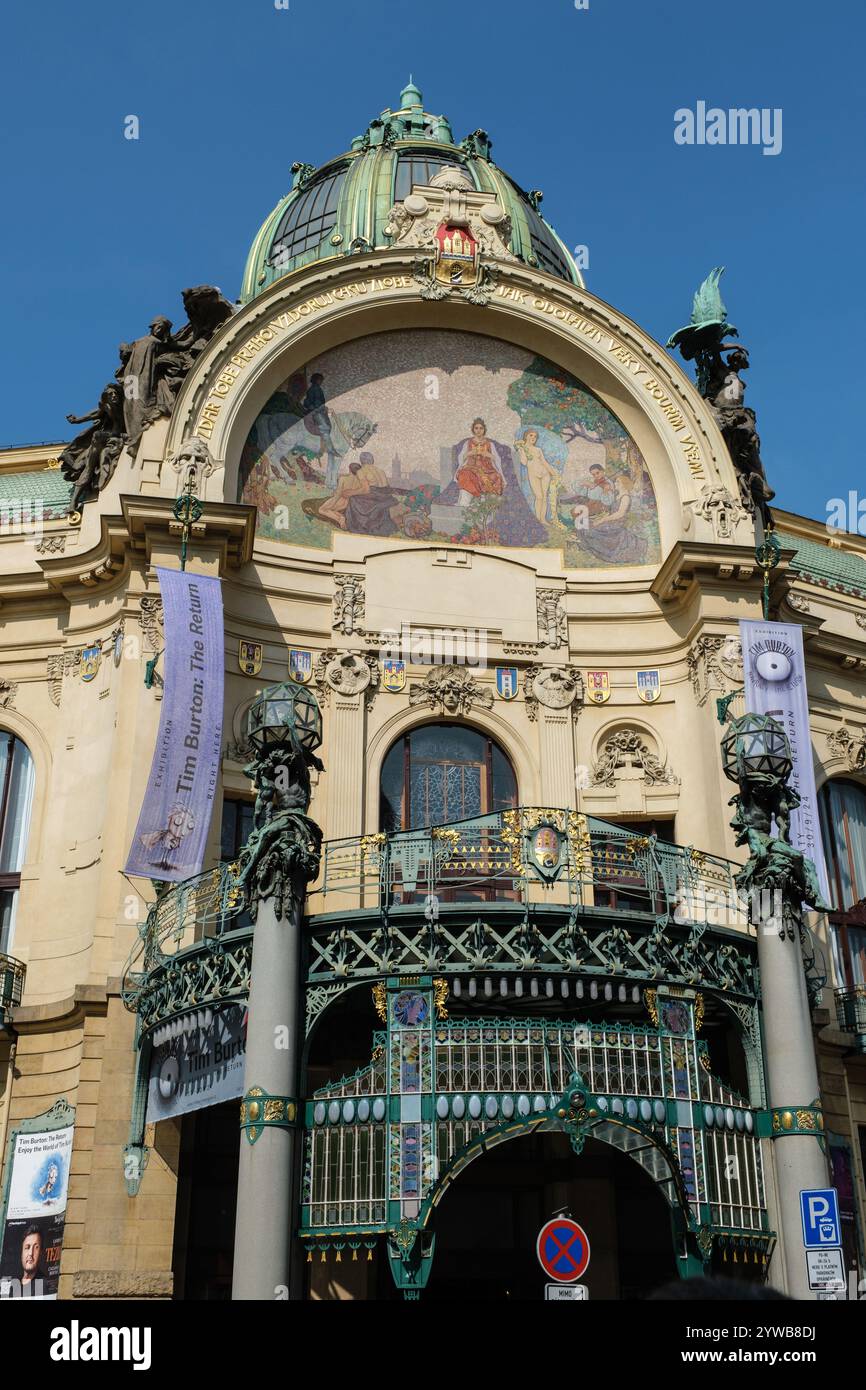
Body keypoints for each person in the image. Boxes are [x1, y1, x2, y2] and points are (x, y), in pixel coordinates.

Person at [514, 429, 559, 522]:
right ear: (526, 436)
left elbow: (545, 462)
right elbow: (524, 462)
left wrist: (554, 474)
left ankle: (543, 519)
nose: (533, 438)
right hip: (533, 474)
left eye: (535, 436)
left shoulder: (538, 449)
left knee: (544, 497)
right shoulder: (522, 449)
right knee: (539, 497)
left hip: (545, 473)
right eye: (531, 435)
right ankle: (538, 519)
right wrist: (521, 450)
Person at [20, 1226, 49, 1294]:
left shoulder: (45, 1285)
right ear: (21, 1252)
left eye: (36, 1248)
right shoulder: (12, 1284)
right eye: (27, 1247)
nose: (30, 1253)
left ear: (41, 1253)